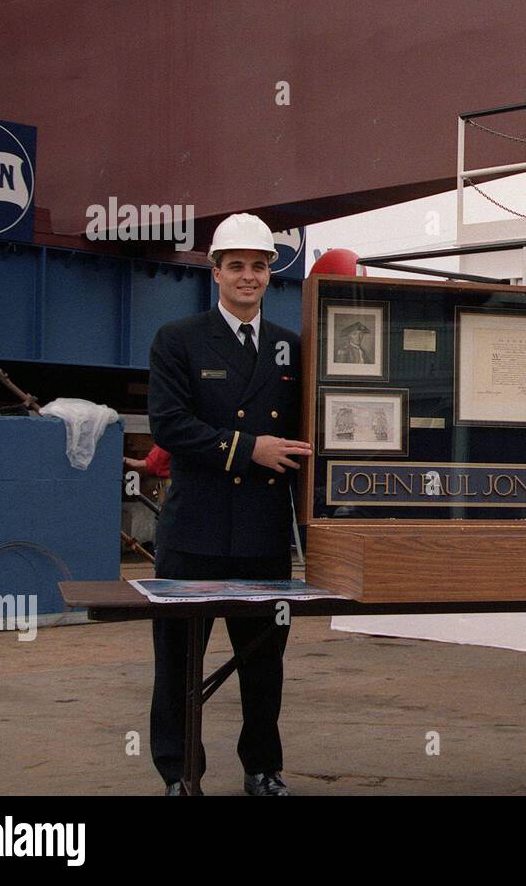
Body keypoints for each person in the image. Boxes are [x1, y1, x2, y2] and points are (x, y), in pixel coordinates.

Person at [147, 212, 313, 796]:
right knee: (178, 663)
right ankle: (179, 771)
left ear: (271, 275)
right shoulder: (179, 339)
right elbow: (169, 425)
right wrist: (249, 449)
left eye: (260, 266)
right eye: (237, 265)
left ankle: (263, 767)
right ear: (214, 271)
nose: (249, 276)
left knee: (263, 663)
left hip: (263, 536)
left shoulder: (293, 348)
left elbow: (308, 441)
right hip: (194, 534)